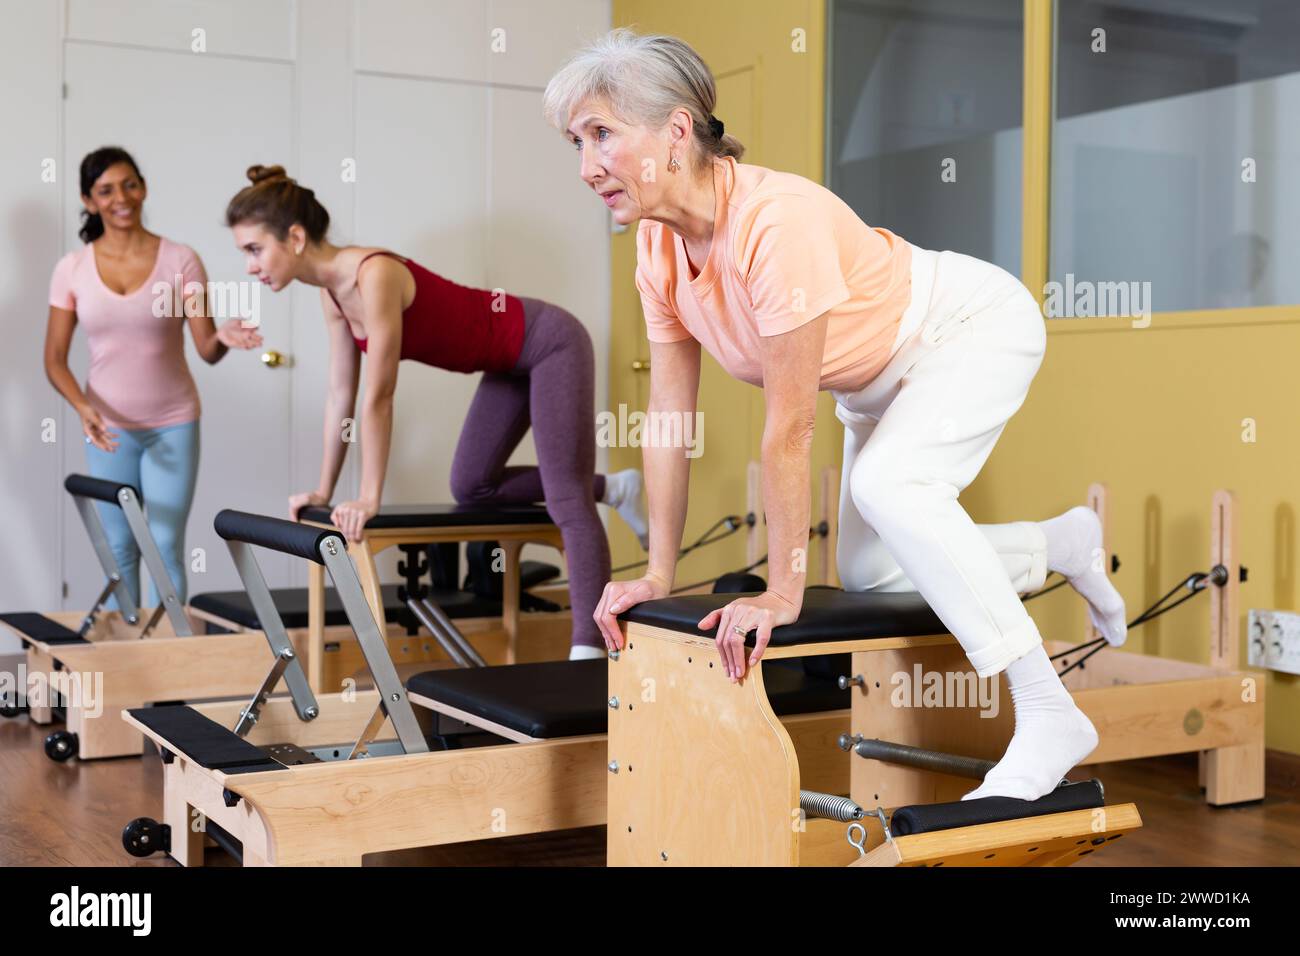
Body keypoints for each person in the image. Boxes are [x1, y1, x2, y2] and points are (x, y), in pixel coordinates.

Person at [549, 29, 1127, 799]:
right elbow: (667, 418)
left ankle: (1049, 710)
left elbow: (789, 427)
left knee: (893, 488)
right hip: (874, 381)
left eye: (602, 136)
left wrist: (782, 592)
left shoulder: (774, 222)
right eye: (575, 142)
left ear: (676, 131)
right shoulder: (656, 249)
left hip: (966, 328)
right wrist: (658, 569)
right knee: (870, 570)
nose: (587, 167)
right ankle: (1062, 542)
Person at [225, 165, 646, 658]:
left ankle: (590, 654)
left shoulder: (373, 273)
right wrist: (324, 488)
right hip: (506, 362)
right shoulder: (332, 295)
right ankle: (616, 488)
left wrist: (367, 497)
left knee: (566, 503)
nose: (250, 265)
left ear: (294, 237)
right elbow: (342, 394)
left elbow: (378, 396)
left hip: (551, 342)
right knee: (471, 486)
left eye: (254, 250)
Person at [45, 146, 260, 606]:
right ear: (88, 200)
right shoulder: (72, 269)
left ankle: (172, 660)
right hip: (107, 430)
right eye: (106, 190)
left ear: (143, 187)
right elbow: (54, 359)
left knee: (165, 548)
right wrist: (83, 407)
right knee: (119, 549)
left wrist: (221, 334)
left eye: (130, 184)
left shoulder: (180, 260)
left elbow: (205, 348)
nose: (121, 197)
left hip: (173, 423)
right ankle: (129, 663)